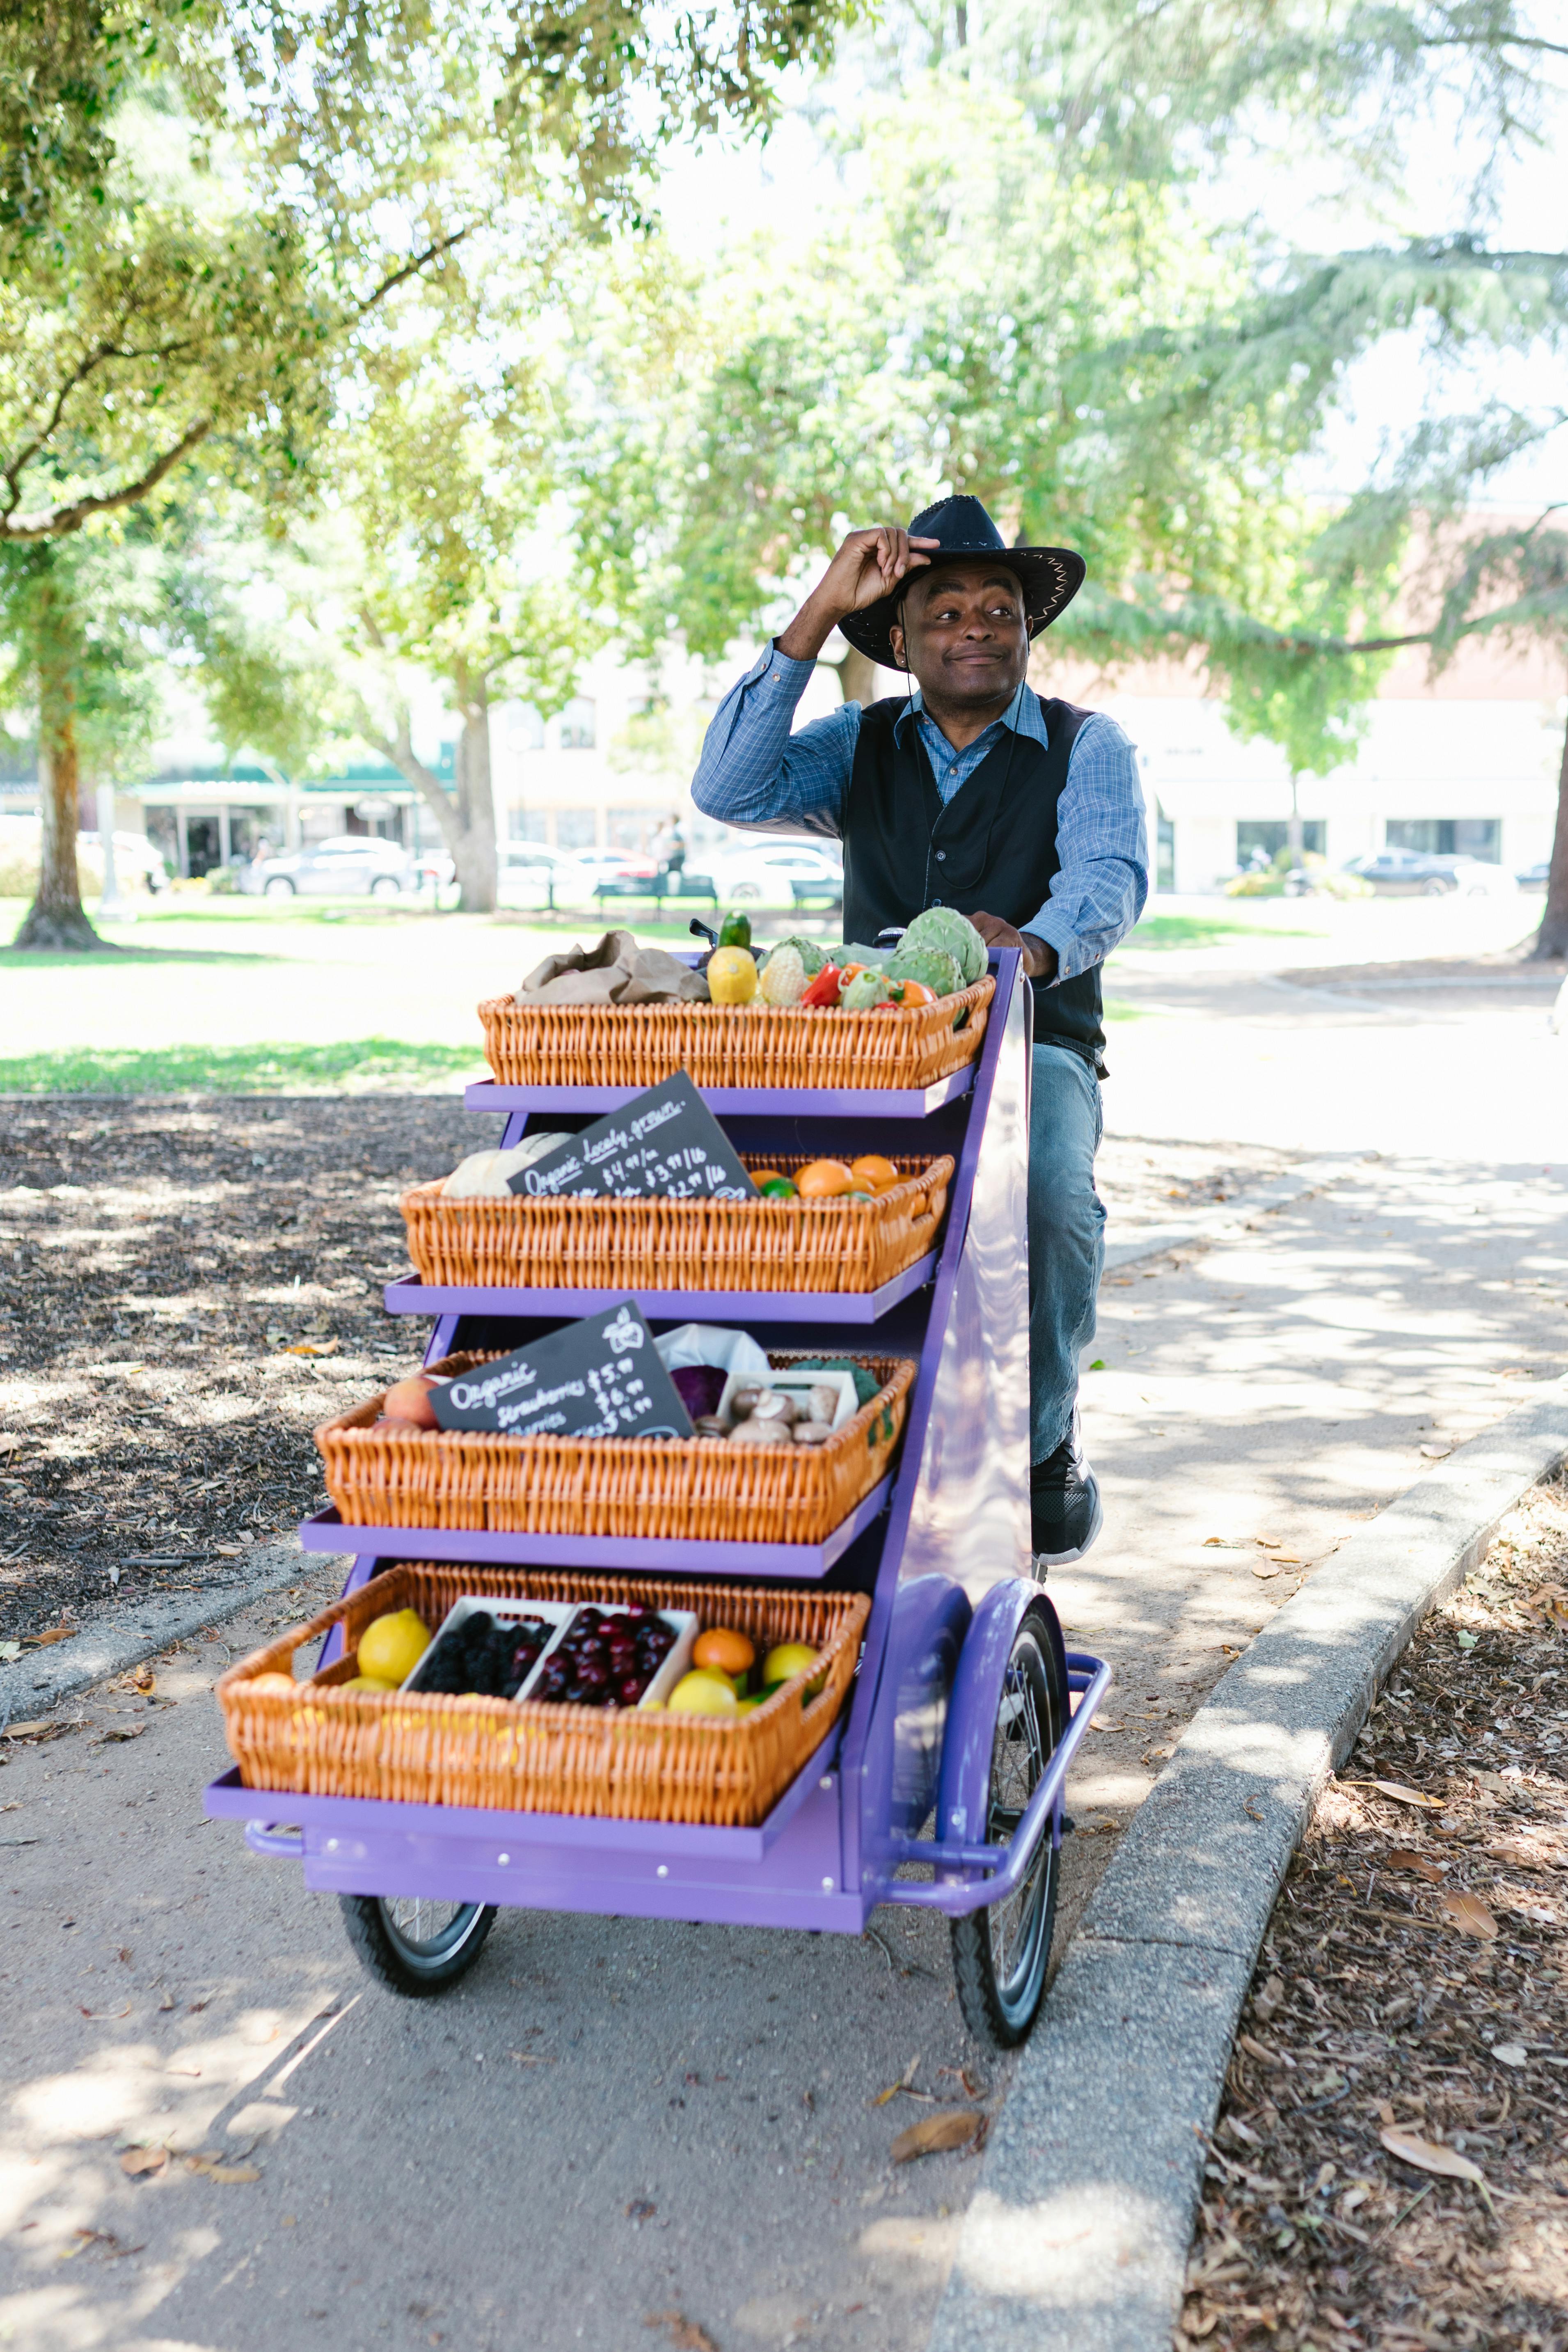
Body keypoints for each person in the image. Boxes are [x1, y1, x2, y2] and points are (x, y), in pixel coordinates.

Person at [690, 494, 1148, 1565]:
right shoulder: (860, 745)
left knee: (1048, 1199)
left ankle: (1041, 1449)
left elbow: (1110, 879)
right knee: (795, 1209)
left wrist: (1031, 947)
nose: (977, 627)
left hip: (1032, 1044)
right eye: (945, 612)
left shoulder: (1089, 745)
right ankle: (829, 1433)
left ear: (1029, 636)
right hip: (875, 1059)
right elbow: (728, 785)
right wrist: (815, 611)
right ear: (900, 642)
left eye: (1001, 609)